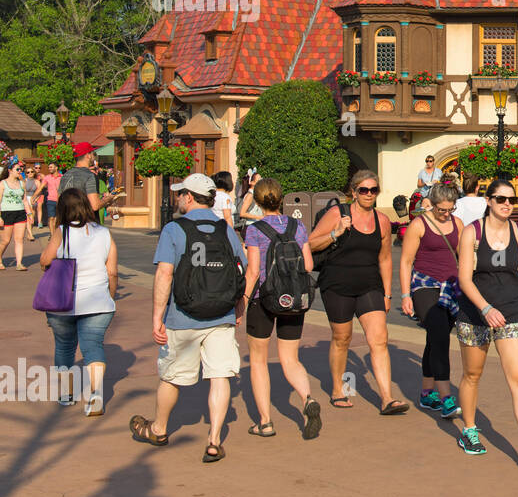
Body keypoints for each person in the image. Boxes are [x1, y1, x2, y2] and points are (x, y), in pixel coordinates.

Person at [129, 174, 247, 462]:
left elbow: (164, 274)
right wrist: (238, 308)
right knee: (219, 376)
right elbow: (241, 270)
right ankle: (214, 440)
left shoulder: (173, 229)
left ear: (190, 197)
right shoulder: (226, 230)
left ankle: (158, 429)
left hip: (182, 315)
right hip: (220, 314)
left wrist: (157, 317)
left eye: (181, 193)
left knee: (172, 377)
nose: (178, 198)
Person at [454, 178, 518, 470]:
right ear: (489, 201)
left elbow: (515, 271)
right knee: (472, 374)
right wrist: (485, 307)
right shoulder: (472, 232)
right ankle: (469, 430)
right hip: (475, 312)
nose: (507, 204)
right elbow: (464, 278)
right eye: (501, 199)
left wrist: (505, 301)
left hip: (510, 312)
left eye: (512, 199)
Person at [308, 170, 408, 414]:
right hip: (337, 285)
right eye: (364, 190)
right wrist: (335, 233)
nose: (369, 194)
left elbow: (385, 258)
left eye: (374, 190)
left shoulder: (382, 220)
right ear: (354, 192)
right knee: (342, 338)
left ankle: (387, 398)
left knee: (379, 339)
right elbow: (310, 244)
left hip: (370, 285)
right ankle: (337, 389)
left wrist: (387, 294)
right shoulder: (337, 214)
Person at [241, 177, 322, 440]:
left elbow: (253, 271)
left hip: (263, 299)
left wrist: (242, 301)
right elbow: (308, 265)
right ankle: (307, 399)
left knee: (258, 360)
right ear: (281, 198)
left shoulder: (254, 230)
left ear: (257, 201)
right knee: (290, 358)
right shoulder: (298, 226)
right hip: (293, 298)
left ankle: (265, 422)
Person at [40, 188, 118, 415]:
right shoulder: (104, 233)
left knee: (64, 346)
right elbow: (112, 272)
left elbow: (45, 260)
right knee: (93, 347)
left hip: (63, 302)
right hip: (98, 301)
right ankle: (96, 397)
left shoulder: (61, 232)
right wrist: (110, 296)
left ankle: (67, 394)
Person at [399, 182, 463, 419]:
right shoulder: (419, 224)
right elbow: (406, 261)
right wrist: (405, 295)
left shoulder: (457, 223)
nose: (446, 214)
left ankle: (427, 393)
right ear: (432, 205)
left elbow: (463, 255)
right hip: (425, 286)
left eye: (450, 209)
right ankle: (446, 397)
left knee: (434, 339)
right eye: (441, 210)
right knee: (440, 337)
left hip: (451, 287)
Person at [58, 143, 119, 217]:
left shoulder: (65, 175)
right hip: (85, 220)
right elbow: (95, 206)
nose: (94, 156)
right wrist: (109, 198)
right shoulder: (89, 176)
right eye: (93, 154)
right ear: (88, 155)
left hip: (67, 219)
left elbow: (59, 202)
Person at [0, 161, 32, 269]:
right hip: (6, 213)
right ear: (10, 170)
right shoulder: (2, 184)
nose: (20, 171)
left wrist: (29, 213)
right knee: (5, 241)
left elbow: (25, 200)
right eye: (17, 169)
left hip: (20, 213)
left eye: (21, 169)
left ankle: (19, 263)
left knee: (19, 239)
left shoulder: (22, 184)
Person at [23, 163, 41, 239]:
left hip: (33, 200)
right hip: (26, 199)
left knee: (32, 218)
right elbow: (23, 192)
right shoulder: (24, 181)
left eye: (31, 171)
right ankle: (30, 234)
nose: (30, 173)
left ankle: (29, 232)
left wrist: (35, 200)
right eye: (28, 172)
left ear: (34, 172)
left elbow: (39, 192)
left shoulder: (37, 181)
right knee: (28, 217)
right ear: (26, 174)